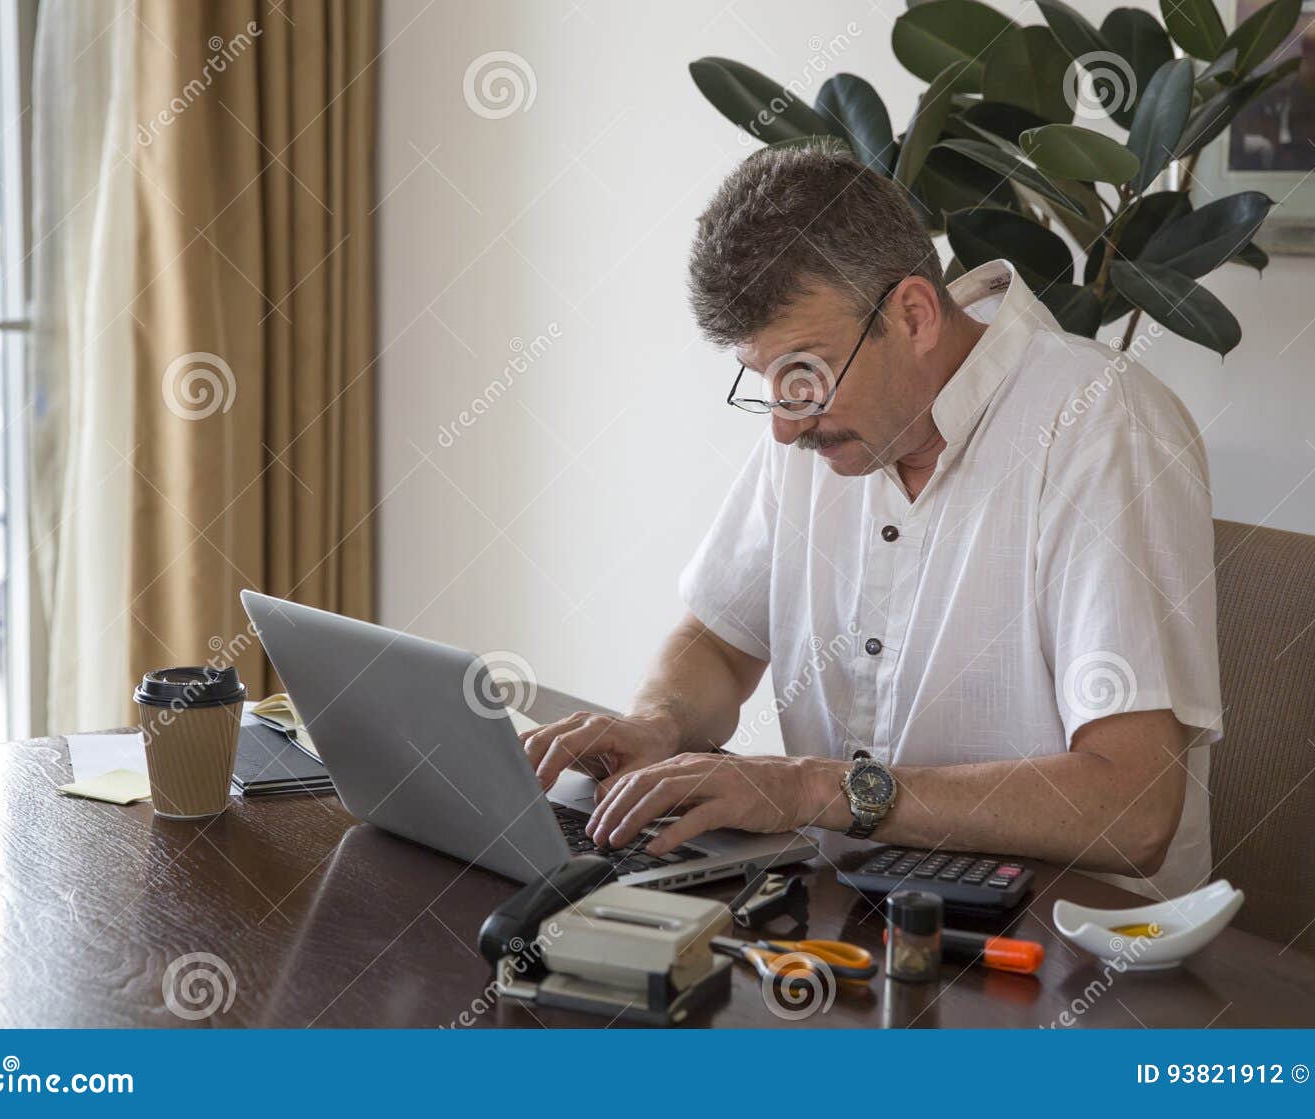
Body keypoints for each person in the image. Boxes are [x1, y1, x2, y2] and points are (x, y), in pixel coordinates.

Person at [520, 142, 1222, 900]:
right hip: (846, 921)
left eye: (804, 372)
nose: (785, 426)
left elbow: (1133, 811)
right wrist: (656, 724)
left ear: (914, 314)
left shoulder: (1102, 424)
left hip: (1063, 944)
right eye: (767, 380)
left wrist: (808, 789)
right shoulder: (821, 425)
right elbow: (718, 644)